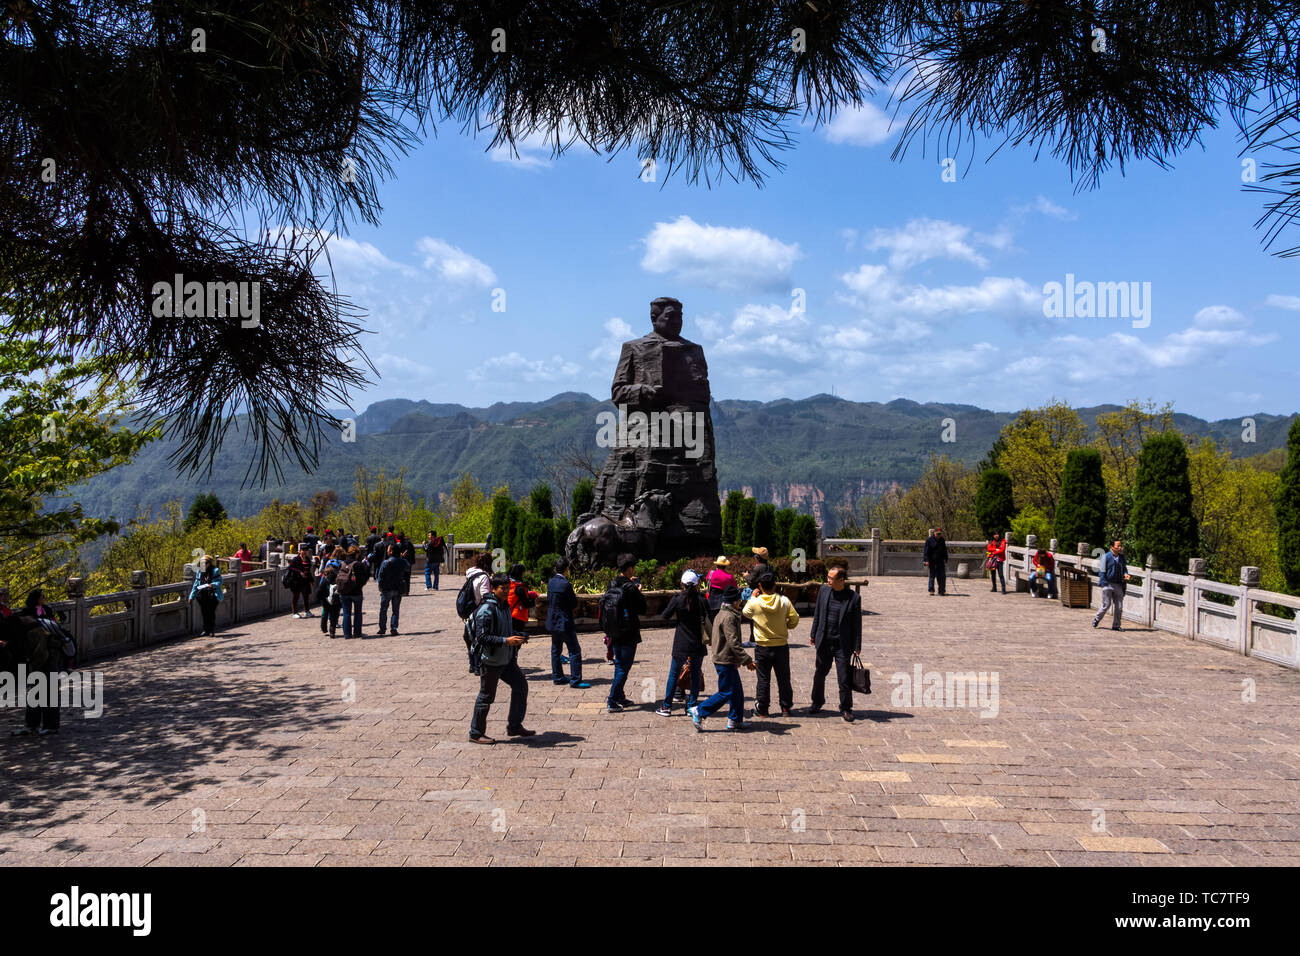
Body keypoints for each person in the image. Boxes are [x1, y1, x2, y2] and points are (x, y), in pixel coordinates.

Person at [468, 574, 533, 744]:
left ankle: (514, 726)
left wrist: (519, 636)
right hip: (490, 660)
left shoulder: (504, 606)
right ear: (493, 589)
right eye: (502, 588)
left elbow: (505, 631)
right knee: (486, 696)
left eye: (507, 587)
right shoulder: (487, 609)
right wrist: (506, 641)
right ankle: (475, 733)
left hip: (507, 659)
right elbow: (481, 637)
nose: (505, 591)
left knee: (520, 686)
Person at [689, 586, 755, 731]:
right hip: (724, 659)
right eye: (739, 600)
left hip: (724, 657)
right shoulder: (729, 617)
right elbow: (733, 641)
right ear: (736, 601)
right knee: (726, 692)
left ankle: (735, 720)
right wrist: (746, 660)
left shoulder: (722, 612)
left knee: (737, 692)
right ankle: (699, 710)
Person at [809, 564, 862, 722]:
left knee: (844, 678)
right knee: (819, 674)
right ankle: (817, 702)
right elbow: (817, 614)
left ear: (842, 580)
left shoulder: (853, 598)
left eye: (831, 578)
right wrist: (813, 634)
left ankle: (846, 708)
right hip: (824, 641)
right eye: (828, 577)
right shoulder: (824, 591)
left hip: (842, 644)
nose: (828, 581)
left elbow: (857, 624)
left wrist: (857, 646)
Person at [743, 571, 799, 717]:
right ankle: (785, 707)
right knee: (784, 678)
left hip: (762, 646)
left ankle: (762, 708)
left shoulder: (755, 603)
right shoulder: (784, 601)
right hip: (781, 645)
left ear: (760, 586)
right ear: (775, 585)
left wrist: (752, 597)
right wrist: (786, 626)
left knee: (763, 679)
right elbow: (795, 619)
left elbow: (745, 612)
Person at [656, 570, 709, 717]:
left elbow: (664, 616)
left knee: (674, 674)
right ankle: (691, 706)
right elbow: (709, 616)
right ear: (698, 583)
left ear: (681, 584)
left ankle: (667, 706)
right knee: (695, 673)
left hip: (681, 642)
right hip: (697, 642)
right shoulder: (701, 600)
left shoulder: (677, 599)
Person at [603, 554, 646, 713]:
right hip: (628, 631)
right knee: (623, 667)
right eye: (633, 567)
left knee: (619, 664)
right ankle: (612, 699)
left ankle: (620, 696)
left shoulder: (612, 583)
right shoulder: (630, 587)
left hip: (613, 630)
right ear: (629, 568)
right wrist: (638, 591)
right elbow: (643, 609)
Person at [546, 558, 590, 688]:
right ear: (566, 569)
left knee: (556, 649)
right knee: (574, 650)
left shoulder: (551, 582)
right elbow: (573, 603)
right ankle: (575, 679)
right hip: (564, 621)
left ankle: (557, 676)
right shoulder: (565, 584)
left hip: (552, 620)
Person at [462, 552, 493, 674]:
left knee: (468, 636)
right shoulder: (484, 577)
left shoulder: (470, 573)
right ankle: (477, 665)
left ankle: (471, 664)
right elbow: (484, 595)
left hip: (468, 608)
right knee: (479, 637)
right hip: (478, 609)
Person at [1093, 539, 1130, 630]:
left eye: (1120, 545)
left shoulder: (1122, 557)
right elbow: (1102, 571)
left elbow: (1125, 568)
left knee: (1119, 607)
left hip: (1118, 584)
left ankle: (1116, 625)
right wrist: (1104, 584)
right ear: (1112, 547)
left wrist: (1125, 574)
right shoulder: (1106, 557)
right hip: (1108, 583)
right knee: (1106, 604)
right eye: (1118, 546)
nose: (1120, 547)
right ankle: (1097, 619)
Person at [337, 545, 371, 639]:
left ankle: (347, 634)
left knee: (346, 613)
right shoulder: (358, 564)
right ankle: (357, 633)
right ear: (356, 554)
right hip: (356, 592)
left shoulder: (342, 563)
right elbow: (363, 579)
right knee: (357, 613)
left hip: (344, 592)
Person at [377, 542, 410, 635]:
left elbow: (380, 576)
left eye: (388, 549)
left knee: (383, 609)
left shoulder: (386, 562)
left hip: (387, 589)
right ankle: (394, 628)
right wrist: (402, 558)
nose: (387, 551)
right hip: (398, 588)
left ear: (391, 551)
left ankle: (382, 628)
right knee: (396, 610)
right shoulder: (402, 561)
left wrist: (380, 587)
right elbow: (408, 568)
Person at [190, 554, 224, 637]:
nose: (202, 565)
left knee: (211, 612)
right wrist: (191, 596)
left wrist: (212, 584)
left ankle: (211, 630)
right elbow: (195, 584)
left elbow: (220, 582)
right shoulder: (199, 571)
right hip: (202, 595)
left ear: (209, 563)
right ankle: (205, 630)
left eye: (204, 563)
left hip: (212, 594)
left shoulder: (215, 570)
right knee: (204, 612)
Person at [506, 563, 536, 636]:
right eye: (523, 571)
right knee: (517, 640)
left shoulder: (507, 584)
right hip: (517, 616)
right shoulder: (520, 588)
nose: (524, 573)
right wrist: (533, 599)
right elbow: (526, 604)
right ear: (519, 573)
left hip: (507, 615)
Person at [703, 555, 736, 621]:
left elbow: (707, 580)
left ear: (717, 565)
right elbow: (735, 587)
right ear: (725, 566)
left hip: (711, 601)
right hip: (724, 602)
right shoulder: (729, 577)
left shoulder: (711, 573)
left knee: (713, 622)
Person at [314, 562, 342, 637]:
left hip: (325, 601)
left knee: (325, 614)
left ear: (326, 574)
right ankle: (332, 631)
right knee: (334, 617)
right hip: (335, 601)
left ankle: (324, 628)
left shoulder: (324, 581)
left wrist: (319, 598)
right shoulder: (337, 580)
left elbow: (319, 591)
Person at [286, 552, 314, 618]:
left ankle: (307, 611)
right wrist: (299, 572)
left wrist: (311, 580)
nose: (305, 552)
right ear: (300, 551)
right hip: (297, 581)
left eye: (306, 550)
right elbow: (290, 568)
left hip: (306, 581)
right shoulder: (296, 559)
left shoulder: (307, 559)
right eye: (303, 550)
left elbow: (309, 570)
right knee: (296, 597)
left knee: (306, 596)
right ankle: (295, 613)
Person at [923, 527, 948, 596]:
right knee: (932, 576)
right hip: (932, 561)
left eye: (940, 534)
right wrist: (926, 560)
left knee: (942, 576)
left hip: (940, 561)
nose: (939, 535)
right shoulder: (929, 540)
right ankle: (931, 590)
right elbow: (926, 551)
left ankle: (942, 590)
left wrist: (946, 559)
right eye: (938, 534)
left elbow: (944, 550)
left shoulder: (942, 540)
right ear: (934, 533)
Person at [397, 532, 416, 596]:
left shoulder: (398, 544)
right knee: (407, 577)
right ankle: (407, 591)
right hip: (408, 562)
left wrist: (401, 554)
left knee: (401, 577)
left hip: (401, 562)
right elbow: (413, 551)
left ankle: (402, 591)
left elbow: (396, 553)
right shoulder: (409, 543)